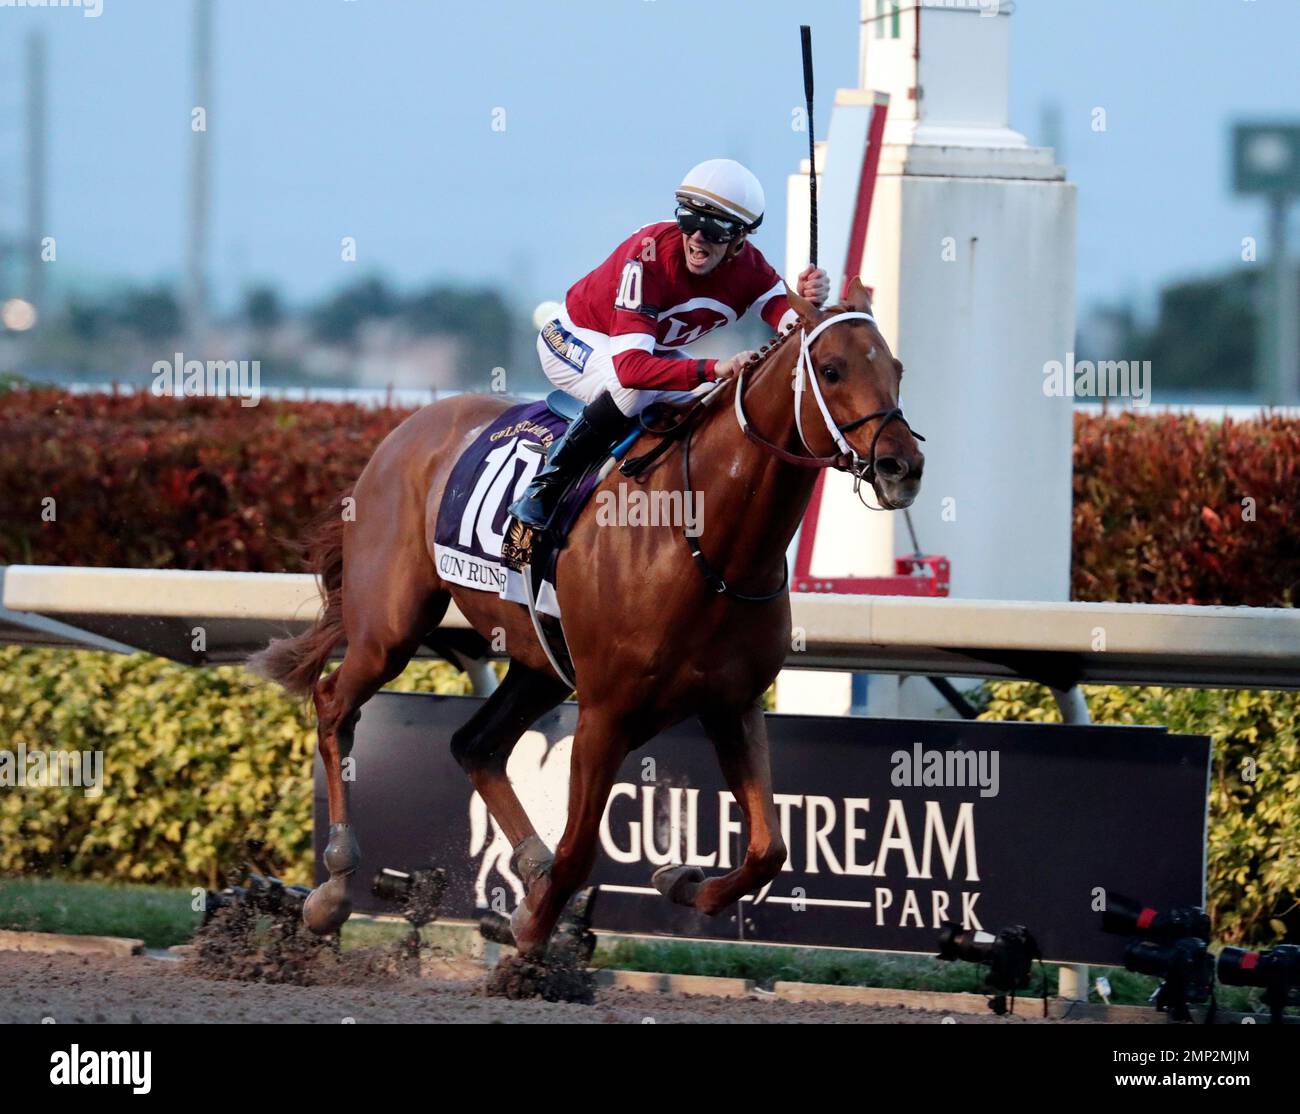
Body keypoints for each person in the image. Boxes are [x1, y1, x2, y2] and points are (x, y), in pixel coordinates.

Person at [508, 157, 830, 532]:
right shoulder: (649, 258)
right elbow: (630, 370)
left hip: (642, 349)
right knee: (633, 393)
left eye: (712, 227)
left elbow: (800, 328)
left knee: (724, 393)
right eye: (689, 220)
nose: (696, 237)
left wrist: (810, 300)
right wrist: (713, 367)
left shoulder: (751, 270)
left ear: (740, 239)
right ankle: (545, 488)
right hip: (572, 338)